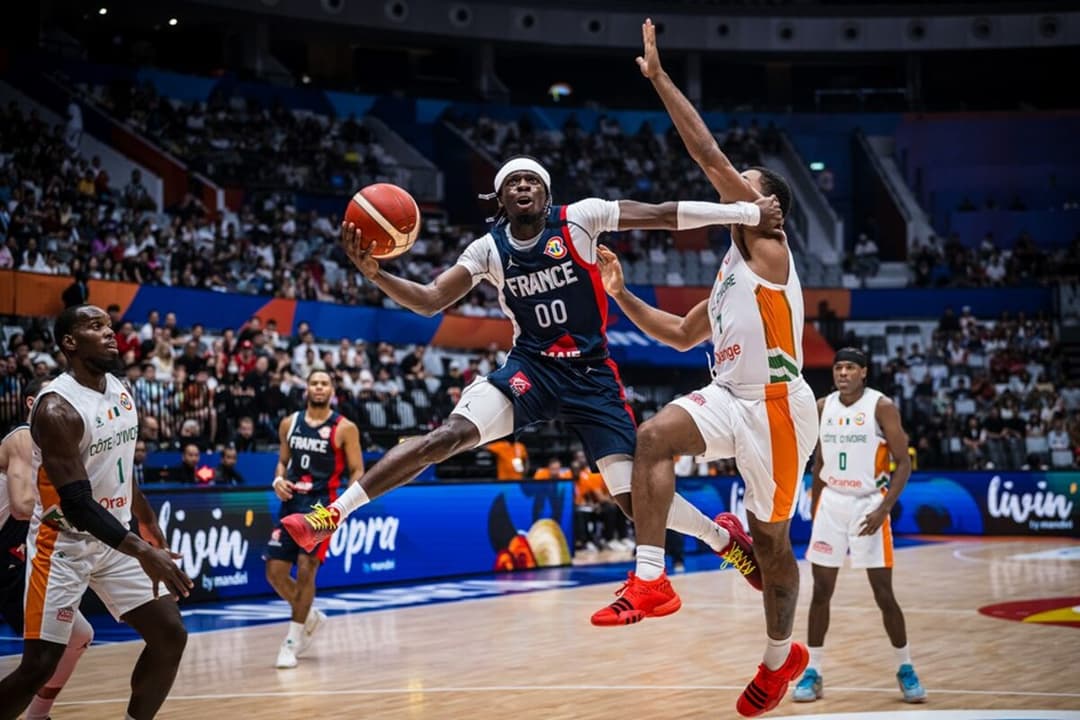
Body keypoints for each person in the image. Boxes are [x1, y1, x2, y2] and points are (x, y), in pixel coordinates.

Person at [279, 151, 782, 585]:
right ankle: (332, 514)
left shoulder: (581, 218)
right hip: (531, 371)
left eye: (532, 181)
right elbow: (432, 300)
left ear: (546, 193)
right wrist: (377, 274)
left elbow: (662, 214)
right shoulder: (488, 249)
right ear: (500, 201)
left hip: (591, 376)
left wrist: (740, 211)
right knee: (445, 437)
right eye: (513, 183)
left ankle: (723, 539)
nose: (523, 187)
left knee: (635, 503)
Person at [587, 20, 818, 719]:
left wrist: (658, 77)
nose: (730, 191)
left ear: (766, 207)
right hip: (728, 395)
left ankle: (781, 662)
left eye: (743, 188)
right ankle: (651, 578)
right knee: (652, 437)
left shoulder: (766, 241)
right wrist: (622, 292)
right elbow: (679, 335)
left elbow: (708, 155)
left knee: (774, 544)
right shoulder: (728, 270)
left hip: (779, 405)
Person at [0, 304, 192, 720]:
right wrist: (143, 551)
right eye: (95, 326)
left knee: (170, 636)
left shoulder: (119, 389)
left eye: (109, 325)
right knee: (38, 666)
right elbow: (78, 504)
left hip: (116, 539)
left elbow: (123, 472)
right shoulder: (57, 408)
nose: (110, 332)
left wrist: (150, 525)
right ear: (69, 343)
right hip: (63, 545)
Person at [793, 348, 926, 704]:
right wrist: (816, 501)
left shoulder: (881, 406)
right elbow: (820, 458)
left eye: (850, 367)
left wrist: (884, 509)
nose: (843, 373)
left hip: (869, 504)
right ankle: (814, 671)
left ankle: (906, 666)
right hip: (832, 505)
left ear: (864, 372)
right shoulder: (823, 407)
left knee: (884, 594)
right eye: (838, 367)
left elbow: (904, 464)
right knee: (821, 592)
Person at [0, 377, 95, 720]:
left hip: (13, 557)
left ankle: (38, 715)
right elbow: (24, 506)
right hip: (8, 553)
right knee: (45, 655)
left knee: (78, 636)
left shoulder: (55, 448)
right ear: (31, 404)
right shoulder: (25, 438)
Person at [266, 369, 364, 669]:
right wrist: (277, 480)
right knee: (275, 572)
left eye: (324, 383)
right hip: (291, 501)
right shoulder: (289, 423)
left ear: (332, 390)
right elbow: (283, 462)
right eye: (314, 383)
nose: (319, 387)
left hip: (322, 508)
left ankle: (291, 642)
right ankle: (308, 616)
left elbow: (357, 471)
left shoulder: (345, 427)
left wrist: (344, 507)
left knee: (307, 568)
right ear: (307, 388)